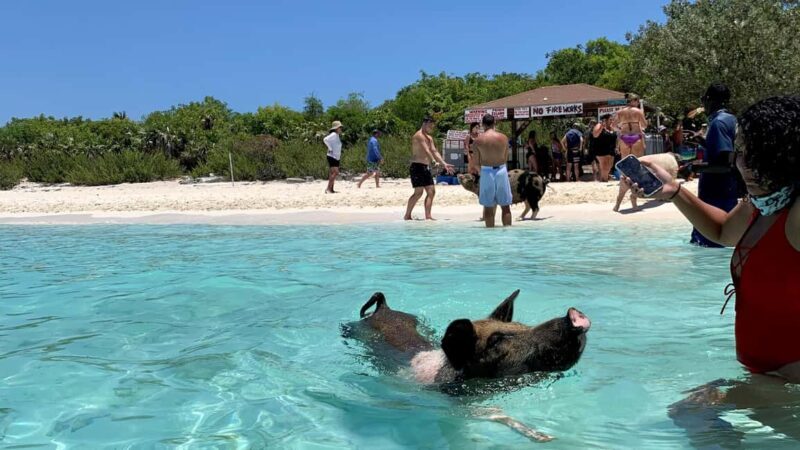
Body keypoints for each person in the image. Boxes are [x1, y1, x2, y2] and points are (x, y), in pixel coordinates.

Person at [629, 95, 800, 442]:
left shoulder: (796, 213)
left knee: (692, 412)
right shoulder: (763, 204)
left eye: (760, 154)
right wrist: (675, 192)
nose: (746, 165)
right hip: (768, 378)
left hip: (790, 383)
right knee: (693, 413)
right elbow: (722, 231)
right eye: (742, 152)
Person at [687, 84, 740, 247]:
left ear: (709, 100)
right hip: (729, 192)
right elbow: (729, 154)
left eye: (703, 100)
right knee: (726, 239)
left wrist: (693, 168)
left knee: (707, 244)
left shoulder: (718, 123)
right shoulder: (732, 119)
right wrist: (703, 142)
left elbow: (724, 165)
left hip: (715, 195)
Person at [404, 117, 454, 220]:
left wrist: (444, 164)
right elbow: (426, 150)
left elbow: (434, 151)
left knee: (431, 191)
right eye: (430, 125)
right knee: (418, 193)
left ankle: (428, 216)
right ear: (424, 123)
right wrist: (433, 161)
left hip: (425, 167)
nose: (432, 128)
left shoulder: (429, 138)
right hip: (416, 167)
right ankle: (407, 215)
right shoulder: (419, 136)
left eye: (433, 126)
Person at [471, 113, 513, 227]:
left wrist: (482, 172)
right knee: (505, 206)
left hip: (486, 171)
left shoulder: (477, 141)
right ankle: (508, 232)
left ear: (483, 125)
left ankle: (490, 236)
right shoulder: (503, 138)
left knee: (488, 206)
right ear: (494, 123)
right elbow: (505, 158)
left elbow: (476, 163)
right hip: (501, 170)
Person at [615, 93, 648, 159]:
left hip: (624, 136)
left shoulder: (620, 112)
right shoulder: (639, 111)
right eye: (637, 101)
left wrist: (620, 128)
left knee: (625, 161)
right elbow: (645, 125)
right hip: (636, 136)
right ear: (633, 101)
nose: (638, 103)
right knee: (638, 160)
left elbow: (613, 126)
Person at [593, 113, 617, 183]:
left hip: (611, 150)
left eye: (612, 120)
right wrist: (601, 127)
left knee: (609, 166)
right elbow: (595, 135)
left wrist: (617, 147)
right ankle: (604, 181)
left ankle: (604, 179)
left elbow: (615, 137)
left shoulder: (611, 127)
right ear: (605, 120)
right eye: (610, 120)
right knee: (604, 167)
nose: (612, 121)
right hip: (601, 150)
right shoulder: (599, 125)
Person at [323, 121, 344, 194]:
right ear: (336, 128)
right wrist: (330, 148)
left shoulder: (337, 135)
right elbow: (325, 140)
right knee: (335, 172)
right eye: (340, 127)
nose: (341, 129)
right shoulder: (334, 134)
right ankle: (328, 189)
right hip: (332, 156)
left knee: (332, 173)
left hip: (336, 157)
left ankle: (331, 189)